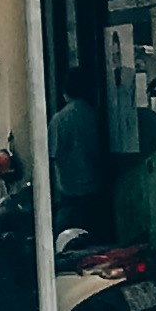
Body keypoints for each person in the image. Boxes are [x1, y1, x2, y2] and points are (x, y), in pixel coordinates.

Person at [47, 86, 106, 227]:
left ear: (65, 93)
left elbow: (51, 155)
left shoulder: (60, 119)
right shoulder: (97, 115)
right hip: (97, 188)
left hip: (70, 192)